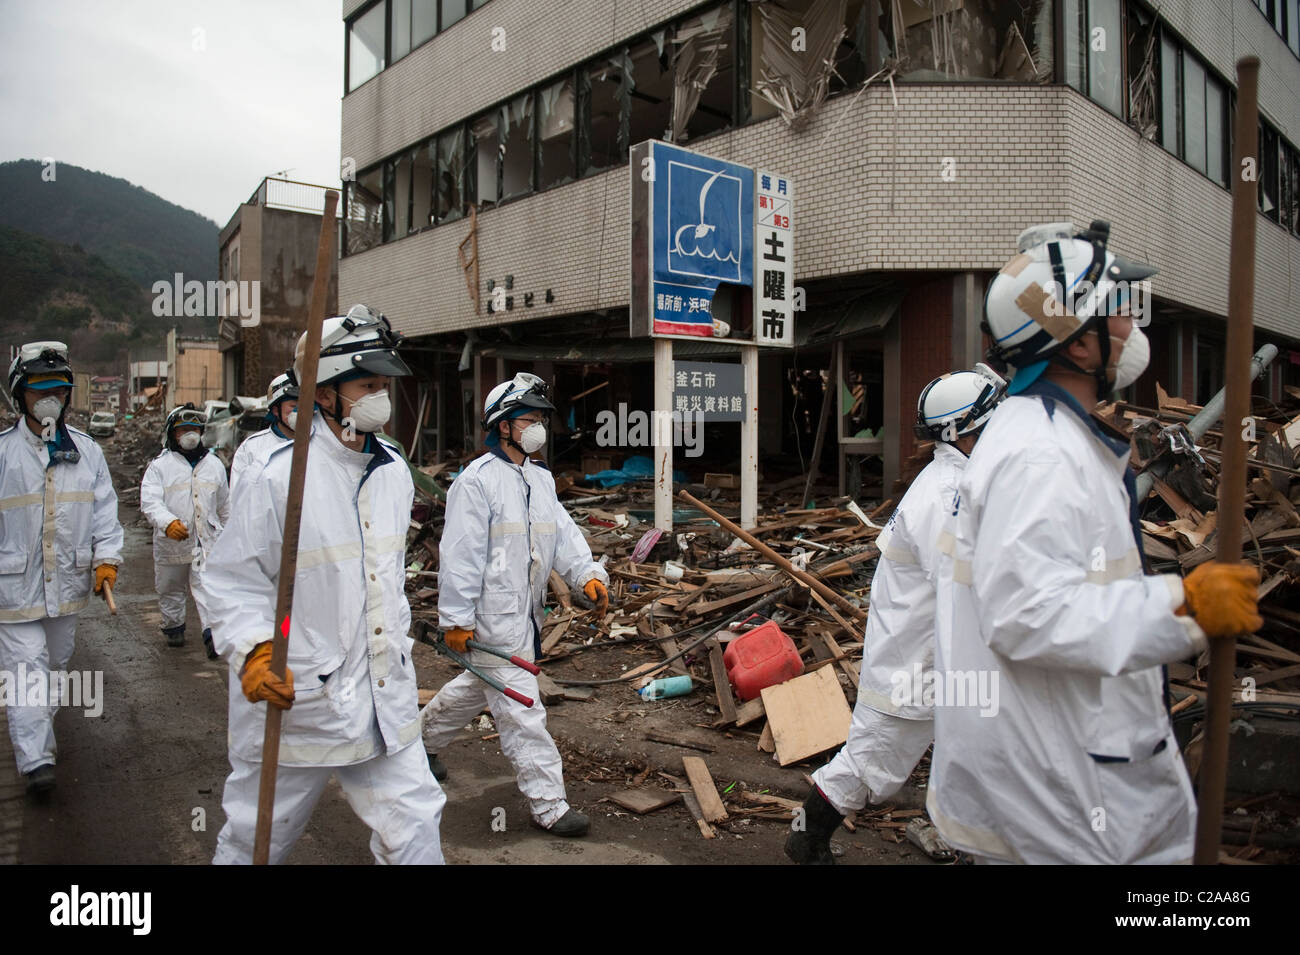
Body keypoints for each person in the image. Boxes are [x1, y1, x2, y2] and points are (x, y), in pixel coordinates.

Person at [926, 221, 1262, 864]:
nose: (1133, 329)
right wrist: (1182, 606)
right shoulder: (1040, 455)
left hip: (1072, 758)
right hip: (1072, 791)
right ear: (1078, 349)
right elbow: (1027, 614)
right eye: (1118, 314)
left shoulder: (1047, 435)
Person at [196, 305, 444, 864]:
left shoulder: (393, 472)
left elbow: (383, 583)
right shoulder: (279, 476)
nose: (380, 395)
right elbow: (231, 582)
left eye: (385, 383)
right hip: (298, 699)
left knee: (416, 824)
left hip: (383, 698)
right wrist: (256, 650)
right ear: (326, 392)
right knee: (257, 837)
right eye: (367, 384)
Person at [787, 366, 1005, 865]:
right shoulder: (947, 496)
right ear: (967, 431)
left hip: (934, 656)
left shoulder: (957, 481)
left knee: (975, 761)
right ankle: (806, 836)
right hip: (918, 661)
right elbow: (962, 587)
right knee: (870, 764)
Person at [421, 372, 608, 837]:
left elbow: (561, 534)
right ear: (502, 426)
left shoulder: (539, 478)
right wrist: (456, 620)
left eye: (541, 419)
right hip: (490, 619)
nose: (537, 428)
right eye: (528, 419)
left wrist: (586, 576)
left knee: (475, 685)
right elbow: (460, 556)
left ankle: (416, 747)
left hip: (526, 616)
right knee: (521, 710)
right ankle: (548, 804)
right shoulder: (476, 482)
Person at [0, 341, 123, 795]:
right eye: (38, 390)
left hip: (66, 586)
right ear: (20, 395)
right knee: (27, 666)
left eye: (57, 389)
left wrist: (107, 559)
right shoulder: (3, 455)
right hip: (12, 590)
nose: (48, 399)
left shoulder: (88, 453)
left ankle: (36, 736)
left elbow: (106, 514)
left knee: (54, 666)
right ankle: (36, 763)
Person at [140, 404, 230, 658]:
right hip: (172, 541)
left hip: (206, 541)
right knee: (171, 587)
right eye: (184, 430)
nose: (190, 434)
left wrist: (229, 534)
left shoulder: (214, 465)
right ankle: (173, 626)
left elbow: (225, 505)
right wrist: (167, 522)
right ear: (172, 434)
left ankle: (212, 634)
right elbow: (150, 501)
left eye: (194, 429)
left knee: (207, 586)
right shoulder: (160, 467)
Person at [229, 370, 298, 497]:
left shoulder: (319, 444)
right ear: (276, 410)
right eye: (293, 405)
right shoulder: (251, 449)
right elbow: (238, 498)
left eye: (306, 405)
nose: (300, 410)